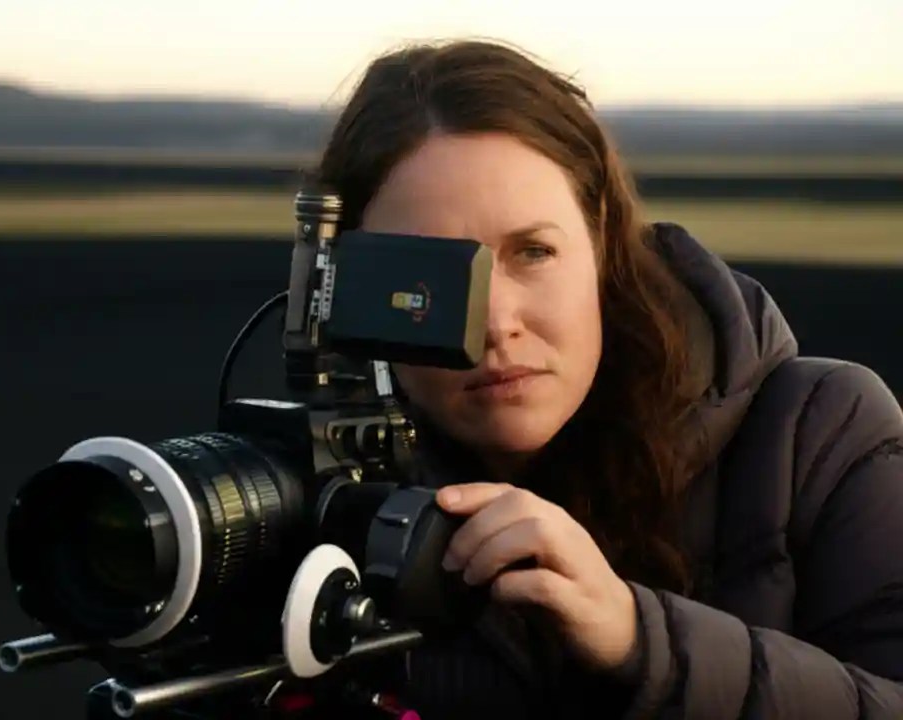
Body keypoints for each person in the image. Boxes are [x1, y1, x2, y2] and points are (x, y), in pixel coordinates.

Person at [304, 38, 903, 718]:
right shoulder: (318, 491)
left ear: (604, 248)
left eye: (533, 252)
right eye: (432, 280)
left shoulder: (820, 436)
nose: (497, 322)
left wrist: (639, 638)